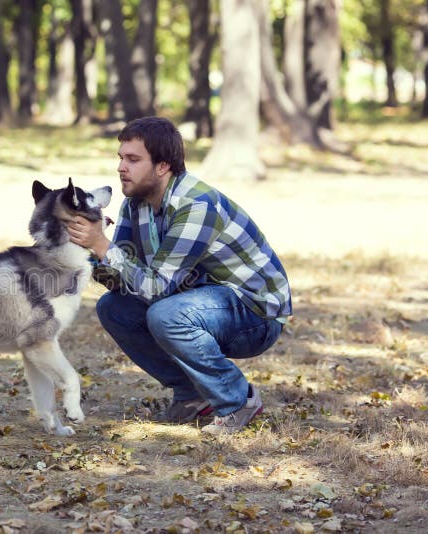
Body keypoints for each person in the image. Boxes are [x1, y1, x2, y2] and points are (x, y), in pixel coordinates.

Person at [66, 117, 291, 434]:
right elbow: (124, 280)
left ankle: (238, 402)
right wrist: (90, 248)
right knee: (113, 308)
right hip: (200, 299)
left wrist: (102, 244)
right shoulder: (135, 205)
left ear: (162, 166)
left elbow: (156, 287)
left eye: (133, 159)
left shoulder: (195, 205)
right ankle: (193, 396)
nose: (121, 167)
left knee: (165, 314)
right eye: (120, 157)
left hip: (255, 312)